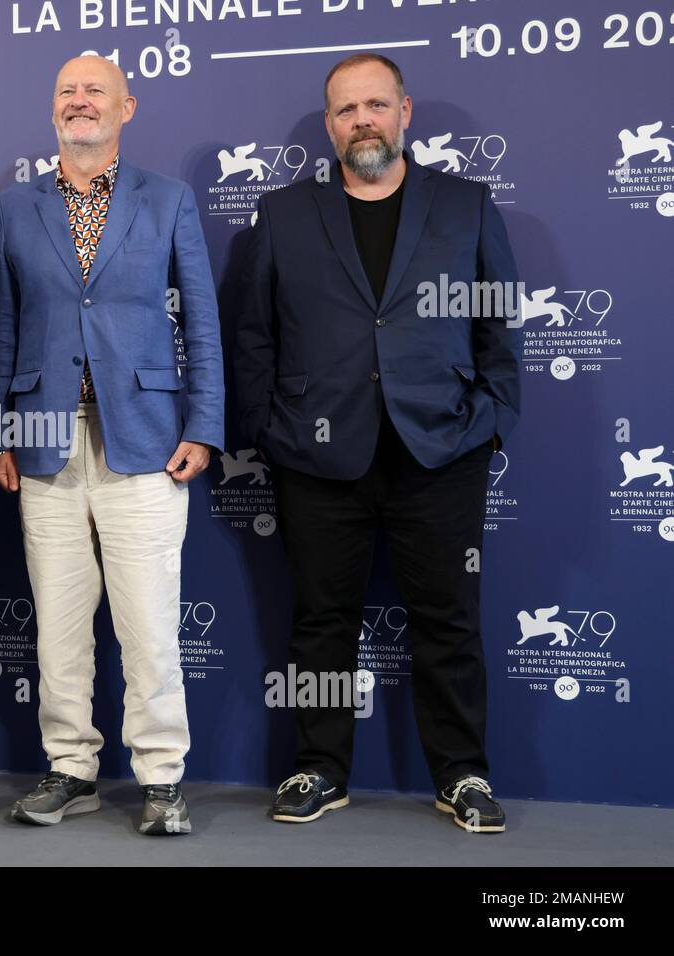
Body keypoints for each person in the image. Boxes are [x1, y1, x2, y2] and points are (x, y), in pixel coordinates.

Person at [233, 54, 521, 832]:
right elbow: (253, 334)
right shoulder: (284, 214)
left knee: (449, 621)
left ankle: (462, 774)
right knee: (320, 621)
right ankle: (319, 768)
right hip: (317, 454)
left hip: (442, 448)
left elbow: (498, 323)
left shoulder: (465, 204)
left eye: (376, 105)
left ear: (404, 112)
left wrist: (492, 417)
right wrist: (264, 428)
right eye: (346, 109)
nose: (362, 119)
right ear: (330, 126)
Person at [0, 56, 224, 836]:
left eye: (95, 91)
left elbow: (202, 321)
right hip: (44, 442)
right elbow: (3, 329)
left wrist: (204, 424)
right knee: (58, 626)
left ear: (127, 107)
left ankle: (161, 778)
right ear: (52, 108)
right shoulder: (15, 207)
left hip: (147, 438)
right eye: (67, 91)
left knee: (149, 625)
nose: (80, 101)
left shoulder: (169, 199)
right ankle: (70, 769)